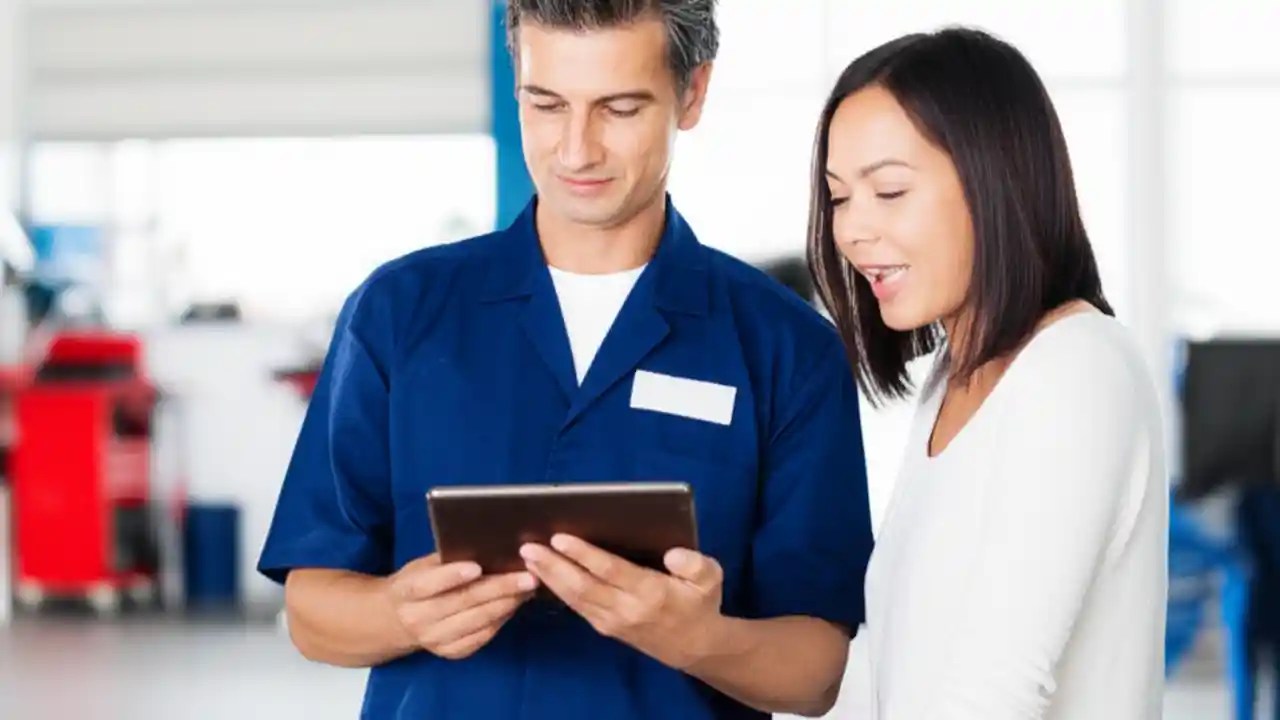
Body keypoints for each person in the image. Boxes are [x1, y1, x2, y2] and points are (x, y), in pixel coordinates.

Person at [258, 1, 874, 718]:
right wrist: (401, 613)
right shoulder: (397, 314)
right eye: (546, 105)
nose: (576, 150)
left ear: (693, 92)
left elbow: (815, 675)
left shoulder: (786, 347)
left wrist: (698, 640)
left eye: (619, 108)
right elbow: (311, 611)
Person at [807, 28, 1169, 719]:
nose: (850, 230)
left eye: (889, 190)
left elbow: (992, 693)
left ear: (994, 181)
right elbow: (897, 680)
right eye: (839, 197)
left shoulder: (1075, 369)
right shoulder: (954, 377)